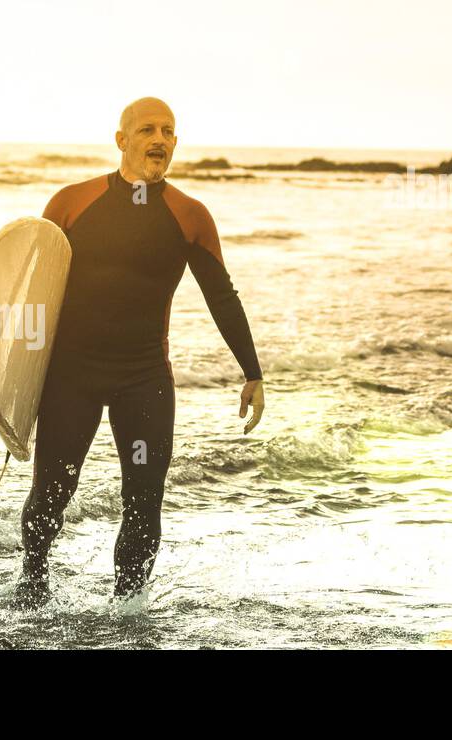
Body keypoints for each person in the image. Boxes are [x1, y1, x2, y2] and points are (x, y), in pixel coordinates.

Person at [14, 97, 265, 606]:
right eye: (147, 129)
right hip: (71, 377)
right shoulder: (70, 203)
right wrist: (13, 381)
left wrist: (252, 372)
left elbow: (222, 295)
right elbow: (32, 291)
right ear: (121, 140)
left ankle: (129, 608)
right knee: (51, 493)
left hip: (144, 378)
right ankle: (32, 583)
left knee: (144, 498)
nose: (160, 140)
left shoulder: (190, 216)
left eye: (169, 131)